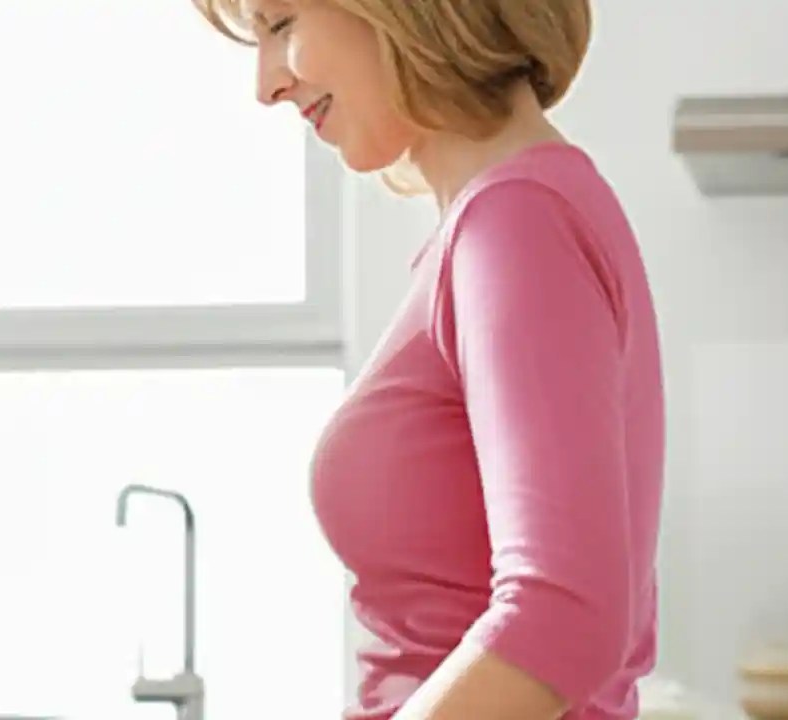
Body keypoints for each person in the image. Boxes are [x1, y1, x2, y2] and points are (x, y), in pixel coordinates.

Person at [192, 1, 666, 719]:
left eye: (281, 24)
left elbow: (565, 613)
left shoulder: (517, 223)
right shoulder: (505, 219)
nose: (266, 85)